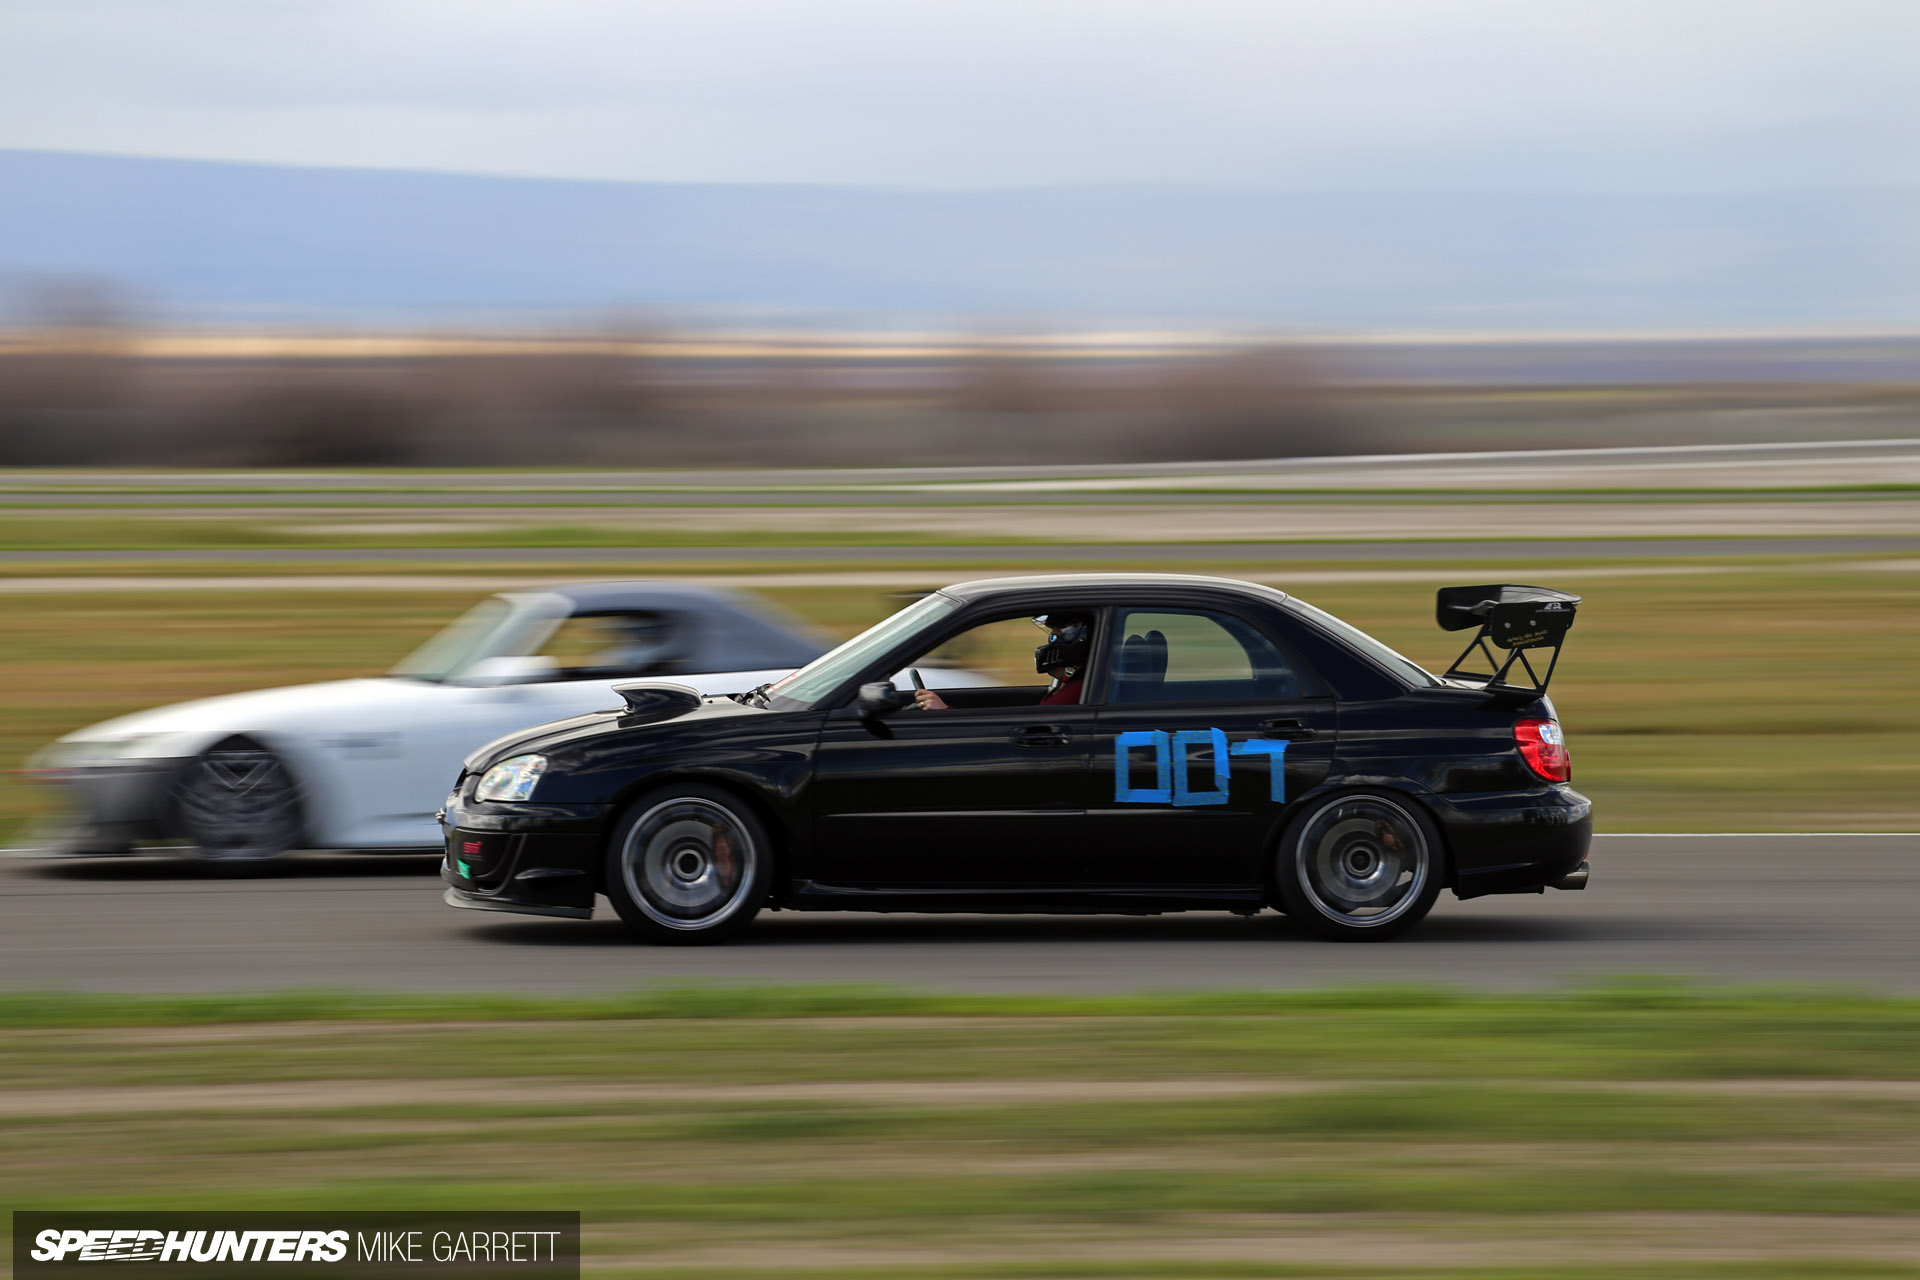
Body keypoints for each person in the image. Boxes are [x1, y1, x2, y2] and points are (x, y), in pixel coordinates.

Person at [914, 613, 1091, 710]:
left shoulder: (1078, 690)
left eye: (1056, 636)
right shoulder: (1074, 685)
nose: (1050, 644)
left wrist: (944, 712)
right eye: (1051, 636)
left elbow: (1032, 729)